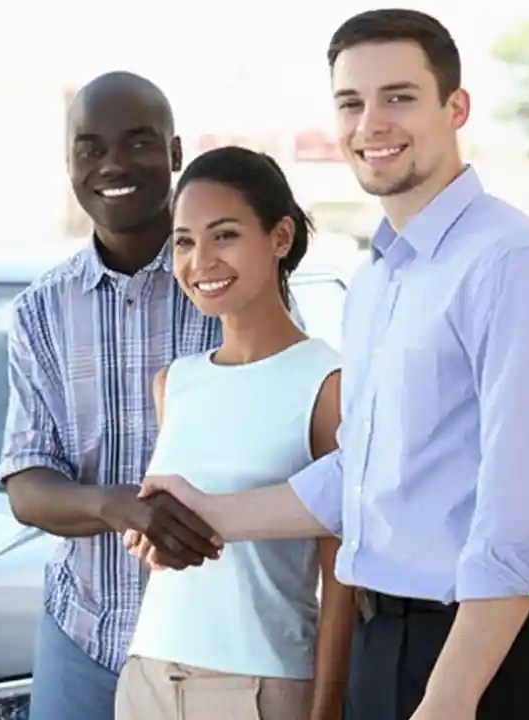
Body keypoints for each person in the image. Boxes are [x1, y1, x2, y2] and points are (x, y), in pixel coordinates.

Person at [133, 9, 529, 720]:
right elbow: (358, 475)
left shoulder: (515, 264)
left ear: (455, 107)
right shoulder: (377, 281)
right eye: (351, 102)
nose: (372, 123)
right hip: (383, 646)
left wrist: (451, 696)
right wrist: (210, 511)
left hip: (478, 657)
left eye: (398, 97)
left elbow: (523, 519)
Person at [0, 71, 225, 720]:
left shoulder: (230, 290)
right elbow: (25, 484)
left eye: (138, 143)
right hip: (83, 638)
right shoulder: (41, 310)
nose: (114, 165)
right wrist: (116, 507)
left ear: (176, 154)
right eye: (90, 148)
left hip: (216, 645)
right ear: (69, 163)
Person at [115, 146, 356, 720]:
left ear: (279, 237)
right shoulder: (175, 383)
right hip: (147, 676)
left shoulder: (329, 383)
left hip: (259, 686)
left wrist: (325, 711)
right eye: (184, 241)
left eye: (224, 235)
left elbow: (342, 580)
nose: (200, 261)